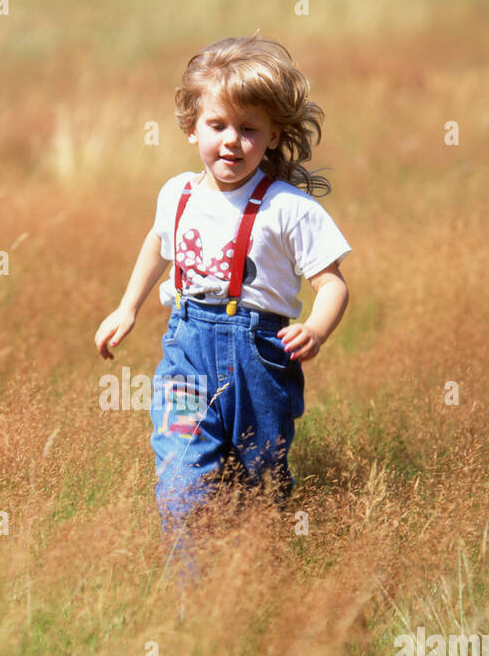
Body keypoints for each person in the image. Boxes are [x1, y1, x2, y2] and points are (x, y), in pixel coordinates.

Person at [95, 33, 352, 583]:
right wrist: (127, 308)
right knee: (182, 481)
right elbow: (159, 246)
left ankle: (260, 581)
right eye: (217, 126)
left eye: (249, 129)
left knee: (256, 481)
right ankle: (193, 600)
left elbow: (333, 284)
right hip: (186, 354)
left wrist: (317, 328)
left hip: (259, 359)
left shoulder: (289, 208)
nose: (232, 142)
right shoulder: (178, 194)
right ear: (192, 128)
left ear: (272, 135)